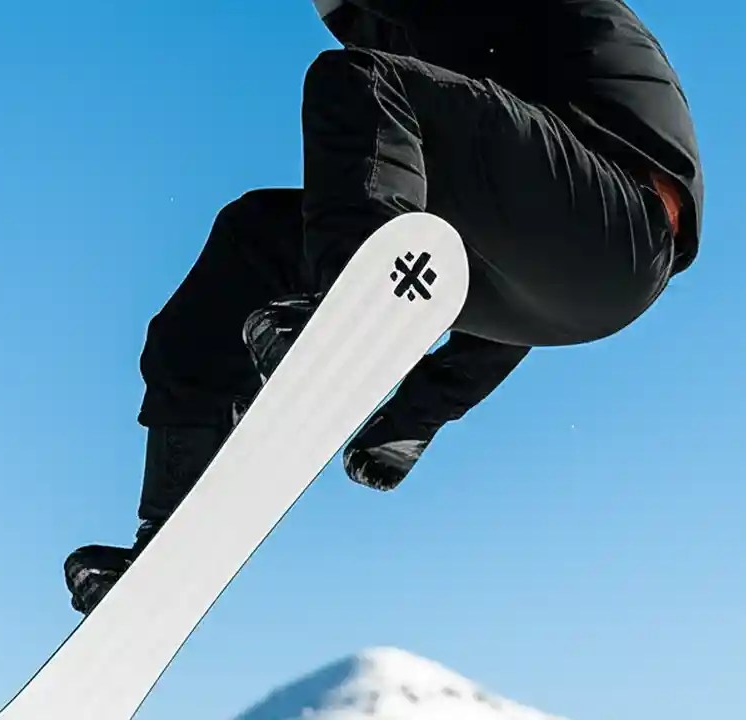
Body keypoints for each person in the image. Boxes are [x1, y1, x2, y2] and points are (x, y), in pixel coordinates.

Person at [64, 0, 703, 614]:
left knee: (360, 80)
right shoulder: (482, 111)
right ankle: (170, 536)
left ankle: (354, 306)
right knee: (254, 233)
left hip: (625, 218)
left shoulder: (515, 36)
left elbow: (550, 209)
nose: (353, 27)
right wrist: (415, 416)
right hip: (552, 283)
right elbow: (520, 251)